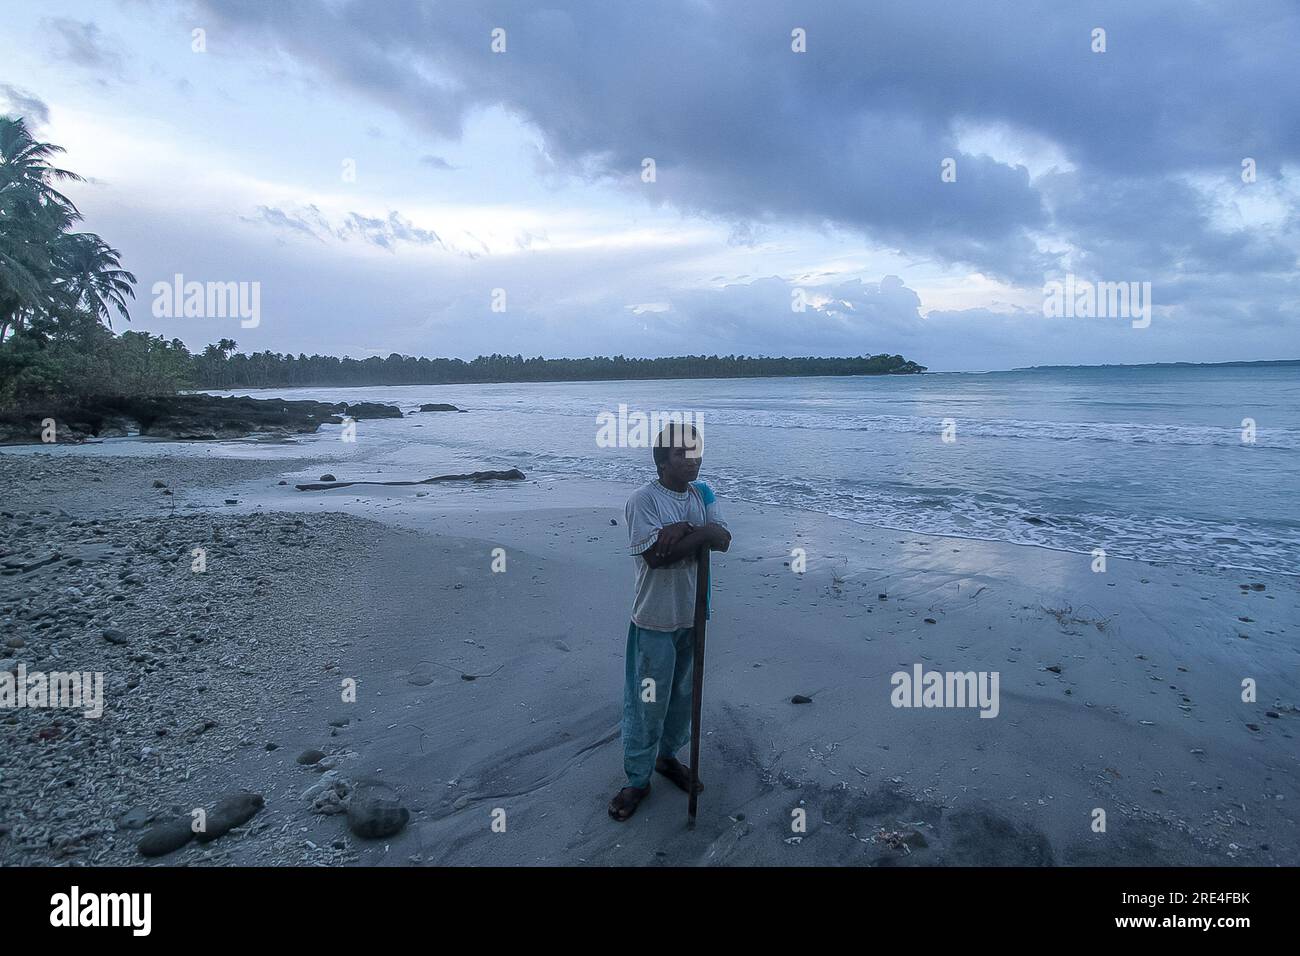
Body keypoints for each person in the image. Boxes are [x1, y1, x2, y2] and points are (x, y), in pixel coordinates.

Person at [609, 422, 731, 822]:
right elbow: (656, 558)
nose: (692, 461)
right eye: (682, 454)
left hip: (694, 615)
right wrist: (698, 534)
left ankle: (668, 758)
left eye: (696, 453)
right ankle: (637, 779)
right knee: (647, 703)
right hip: (654, 618)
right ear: (662, 461)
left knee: (683, 698)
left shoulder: (703, 493)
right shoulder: (643, 501)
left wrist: (683, 531)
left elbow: (723, 539)